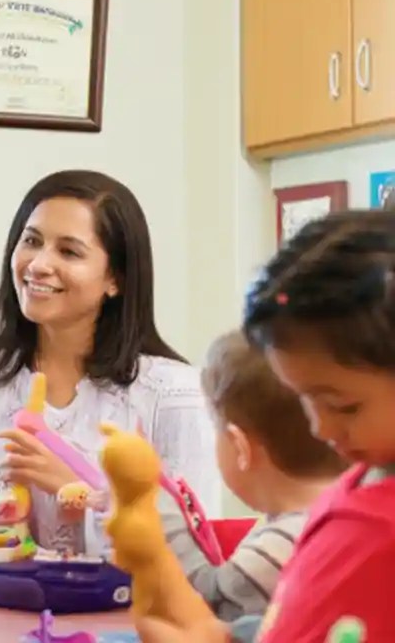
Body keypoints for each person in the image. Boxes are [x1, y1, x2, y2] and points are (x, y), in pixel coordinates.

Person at [0, 170, 219, 573]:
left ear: (115, 278)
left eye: (69, 252)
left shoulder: (175, 395)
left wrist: (78, 491)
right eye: (31, 241)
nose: (39, 264)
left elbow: (193, 558)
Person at [135, 209, 395, 643]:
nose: (321, 428)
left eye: (343, 406)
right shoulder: (360, 481)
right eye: (306, 400)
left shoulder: (378, 523)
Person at [176, 331, 346, 620]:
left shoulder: (284, 543)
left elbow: (202, 606)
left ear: (239, 445)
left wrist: (153, 508)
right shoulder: (335, 515)